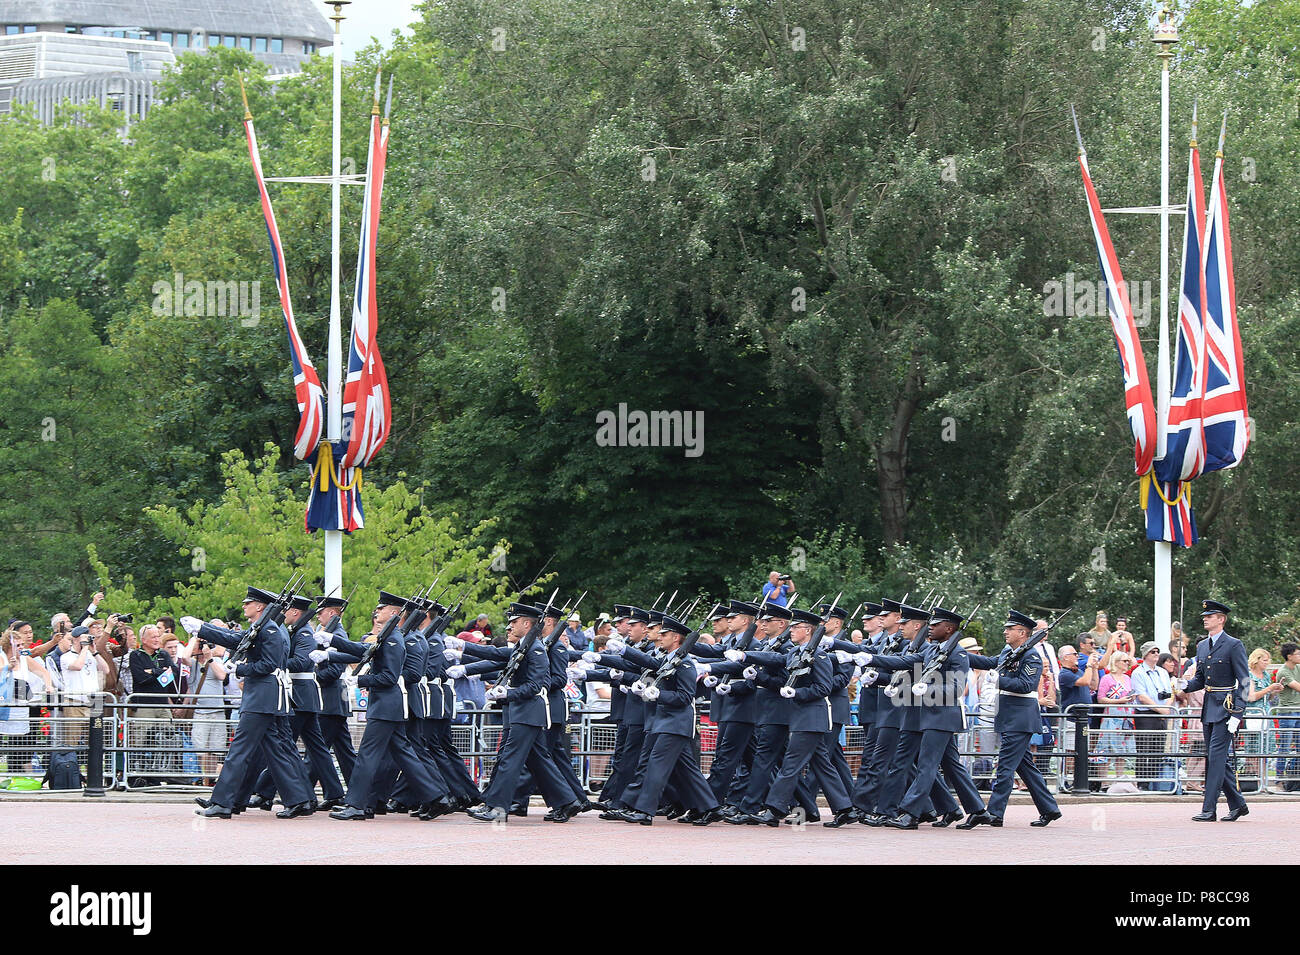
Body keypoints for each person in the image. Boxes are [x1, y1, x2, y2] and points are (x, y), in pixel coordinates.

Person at [185, 587, 317, 819]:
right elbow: (237, 639)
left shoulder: (270, 629)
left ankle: (223, 803)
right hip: (266, 698)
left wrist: (240, 668)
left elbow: (269, 665)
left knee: (239, 750)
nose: (244, 606)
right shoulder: (265, 627)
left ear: (259, 606)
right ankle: (299, 800)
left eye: (249, 603)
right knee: (278, 750)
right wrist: (203, 628)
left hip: (262, 699)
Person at [959, 610, 1061, 828]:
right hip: (1010, 716)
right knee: (1025, 768)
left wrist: (998, 681)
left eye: (1010, 629)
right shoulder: (1010, 652)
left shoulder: (1031, 655)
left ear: (1022, 632)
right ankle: (1049, 808)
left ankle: (995, 813)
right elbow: (989, 661)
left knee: (1005, 766)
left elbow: (1026, 685)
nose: (1005, 631)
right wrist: (959, 655)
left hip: (1020, 717)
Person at [1178, 599, 1251, 822]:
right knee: (1216, 757)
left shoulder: (1233, 644)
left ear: (1221, 619)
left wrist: (1237, 714)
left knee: (1216, 758)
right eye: (1204, 617)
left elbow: (1245, 681)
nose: (1205, 619)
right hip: (1209, 705)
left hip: (1227, 707)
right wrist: (1186, 685)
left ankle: (1209, 809)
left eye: (1210, 616)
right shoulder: (1202, 646)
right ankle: (1238, 804)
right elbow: (1201, 678)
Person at [1129, 642, 1175, 790]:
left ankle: (1155, 782)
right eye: (1152, 652)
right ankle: (1142, 784)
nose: (1156, 654)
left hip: (1161, 713)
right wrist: (1161, 710)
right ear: (1145, 655)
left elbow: (1169, 692)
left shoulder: (1162, 672)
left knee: (1158, 750)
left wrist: (1165, 708)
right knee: (1144, 749)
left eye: (1157, 651)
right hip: (1145, 715)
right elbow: (1142, 696)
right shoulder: (1138, 672)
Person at [1240, 648, 1282, 791]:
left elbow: (1268, 697)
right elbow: (1250, 697)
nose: (1267, 663)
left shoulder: (1266, 675)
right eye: (1264, 660)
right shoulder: (1248, 676)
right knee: (1253, 749)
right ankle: (1254, 781)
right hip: (1253, 715)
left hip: (1265, 714)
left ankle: (1263, 782)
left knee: (1265, 749)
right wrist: (1269, 688)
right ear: (1256, 660)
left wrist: (1274, 690)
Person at [1095, 651, 1135, 780]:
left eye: (1128, 661)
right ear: (1116, 662)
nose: (1127, 663)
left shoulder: (1127, 678)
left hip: (1125, 717)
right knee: (1106, 749)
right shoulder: (1107, 678)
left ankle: (1119, 778)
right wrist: (1119, 701)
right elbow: (1101, 699)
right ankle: (1104, 781)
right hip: (1111, 717)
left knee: (1122, 750)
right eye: (1125, 661)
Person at [1274, 642, 1300, 792]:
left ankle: (1294, 778)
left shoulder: (1297, 667)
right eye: (1297, 654)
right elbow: (1297, 686)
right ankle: (1279, 779)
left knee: (1299, 748)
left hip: (1298, 710)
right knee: (1284, 747)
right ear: (1289, 656)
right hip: (1288, 712)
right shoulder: (1284, 671)